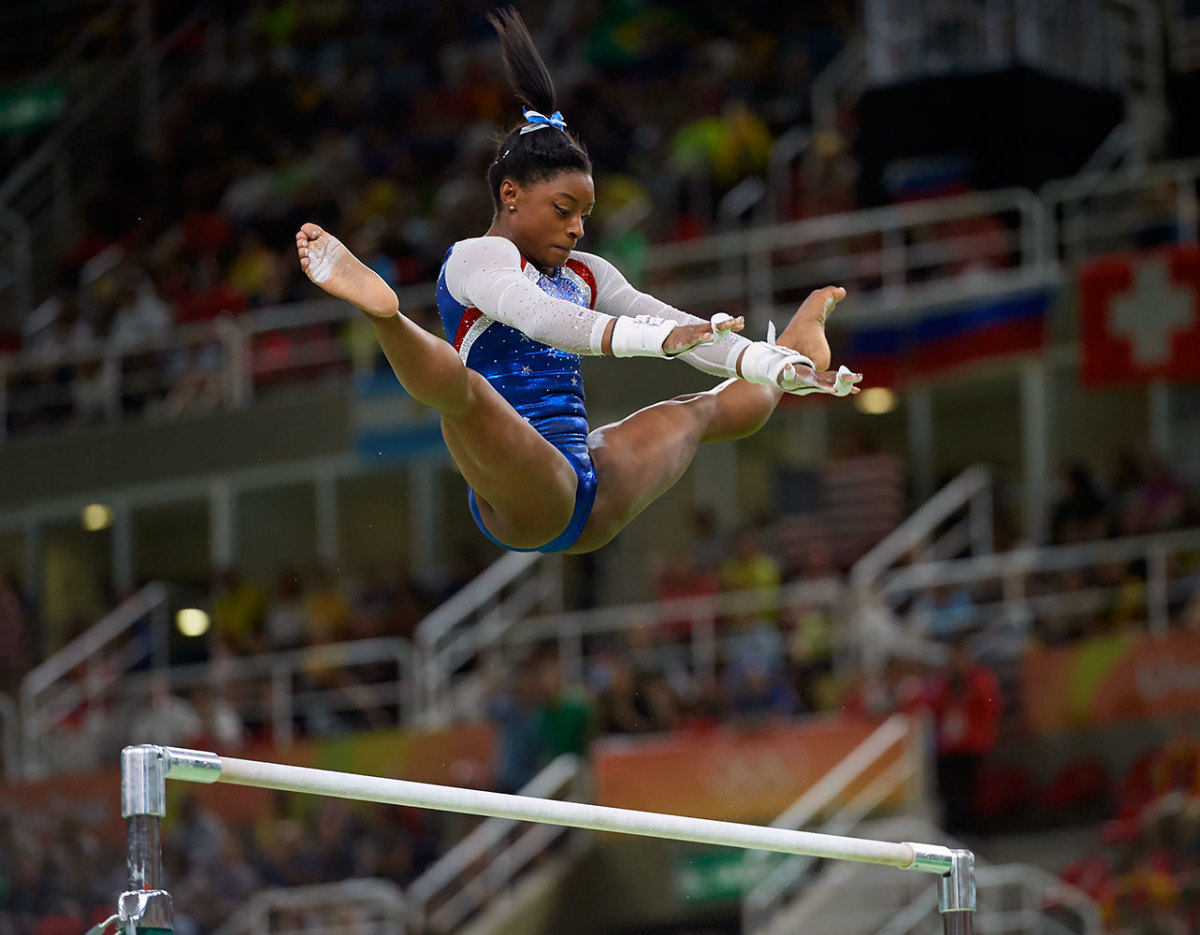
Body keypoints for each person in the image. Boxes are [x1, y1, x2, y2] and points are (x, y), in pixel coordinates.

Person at [295, 8, 861, 555]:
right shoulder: (476, 258)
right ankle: (384, 316)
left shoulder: (587, 273)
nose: (577, 228)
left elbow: (682, 329)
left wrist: (767, 364)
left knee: (707, 409)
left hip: (592, 489)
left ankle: (790, 354)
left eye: (584, 214)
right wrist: (650, 339)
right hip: (523, 495)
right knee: (466, 394)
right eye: (564, 210)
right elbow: (539, 317)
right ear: (511, 195)